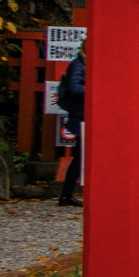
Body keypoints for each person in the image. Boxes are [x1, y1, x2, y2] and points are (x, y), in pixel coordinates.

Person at [56, 44, 87, 207]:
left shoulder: (82, 64)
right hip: (80, 115)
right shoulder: (78, 65)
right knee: (80, 157)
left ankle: (66, 194)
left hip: (82, 114)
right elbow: (75, 88)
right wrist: (97, 89)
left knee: (80, 156)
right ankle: (66, 194)